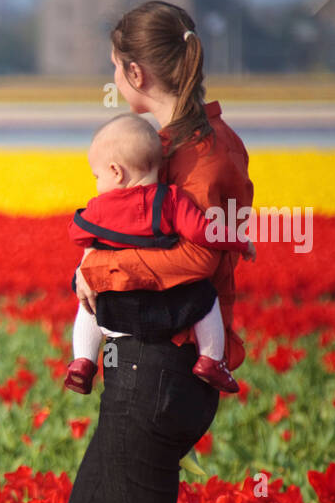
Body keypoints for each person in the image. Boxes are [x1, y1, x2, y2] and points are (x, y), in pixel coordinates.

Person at [60, 0, 254, 503]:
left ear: (136, 73)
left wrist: (98, 269)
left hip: (159, 368)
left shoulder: (194, 156)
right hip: (153, 369)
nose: (114, 78)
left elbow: (197, 260)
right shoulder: (203, 144)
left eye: (114, 68)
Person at [64, 112, 253, 397]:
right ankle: (212, 360)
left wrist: (93, 248)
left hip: (116, 308)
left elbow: (76, 232)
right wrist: (239, 241)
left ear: (116, 172)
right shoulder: (172, 199)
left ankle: (84, 360)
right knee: (205, 296)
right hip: (167, 306)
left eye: (97, 175)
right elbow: (203, 232)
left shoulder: (100, 207)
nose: (97, 183)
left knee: (88, 301)